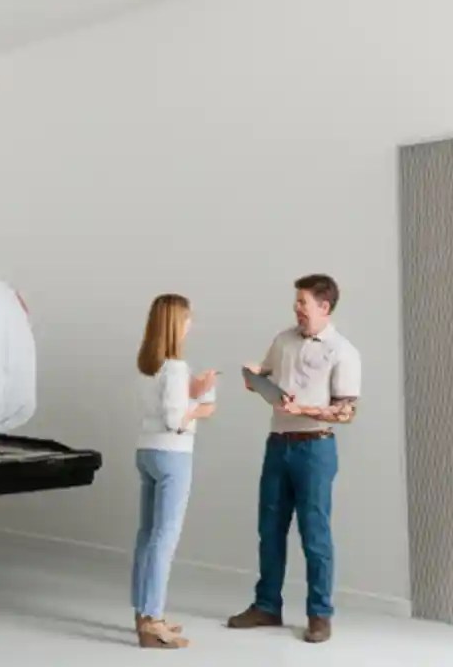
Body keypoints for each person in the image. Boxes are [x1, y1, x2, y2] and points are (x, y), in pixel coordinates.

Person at [227, 274, 361, 644]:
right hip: (278, 444)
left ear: (324, 306)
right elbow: (269, 376)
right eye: (296, 302)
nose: (296, 309)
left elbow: (347, 412)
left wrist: (303, 407)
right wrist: (255, 378)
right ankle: (266, 605)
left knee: (315, 534)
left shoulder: (343, 352)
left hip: (315, 448)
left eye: (303, 303)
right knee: (269, 528)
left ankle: (320, 615)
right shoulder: (283, 340)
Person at [131, 293, 218, 649]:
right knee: (164, 539)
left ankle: (145, 613)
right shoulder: (176, 367)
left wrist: (191, 393)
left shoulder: (148, 366)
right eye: (187, 318)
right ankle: (152, 622)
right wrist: (201, 402)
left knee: (147, 535)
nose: (190, 323)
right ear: (176, 324)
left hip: (147, 451)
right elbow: (174, 421)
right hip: (172, 455)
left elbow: (161, 410)